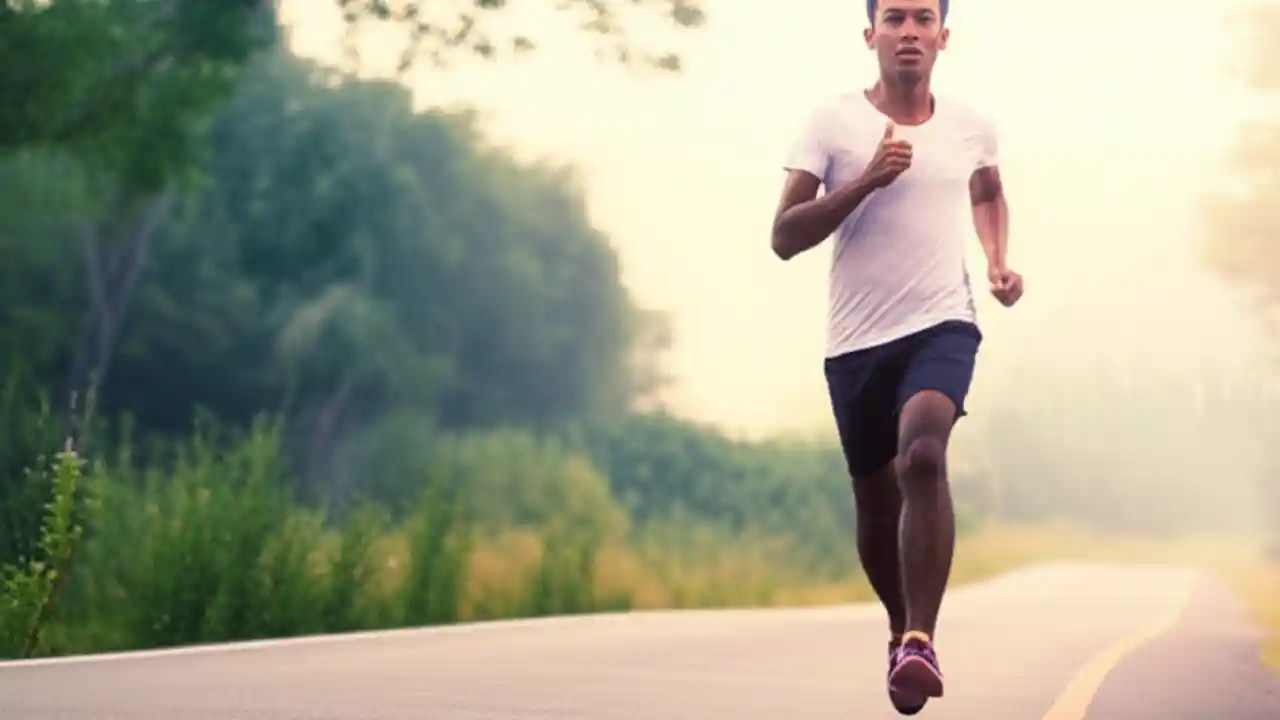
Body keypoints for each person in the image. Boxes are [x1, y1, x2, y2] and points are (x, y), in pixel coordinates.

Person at [770, 0, 1022, 714]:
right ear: (870, 35)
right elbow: (784, 236)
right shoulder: (832, 123)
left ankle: (920, 636)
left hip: (943, 320)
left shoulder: (971, 124)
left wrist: (999, 262)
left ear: (944, 36)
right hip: (855, 342)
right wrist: (867, 180)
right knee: (877, 504)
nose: (908, 31)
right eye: (895, 19)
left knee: (922, 457)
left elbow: (989, 190)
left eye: (922, 19)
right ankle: (897, 626)